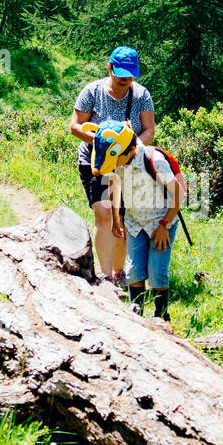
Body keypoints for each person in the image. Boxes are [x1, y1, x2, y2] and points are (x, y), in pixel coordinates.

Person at [69, 46, 154, 286]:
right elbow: (75, 126)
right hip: (95, 163)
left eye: (130, 76)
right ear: (109, 68)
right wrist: (103, 141)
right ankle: (105, 277)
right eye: (120, 75)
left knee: (123, 218)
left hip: (127, 165)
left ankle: (119, 273)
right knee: (105, 213)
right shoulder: (92, 92)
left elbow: (149, 130)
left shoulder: (141, 95)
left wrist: (131, 145)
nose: (125, 80)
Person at [103, 136, 183, 322]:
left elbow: (179, 193)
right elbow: (114, 186)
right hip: (135, 222)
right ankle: (136, 311)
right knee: (134, 270)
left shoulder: (154, 161)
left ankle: (161, 315)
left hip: (161, 221)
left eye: (117, 158)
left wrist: (165, 225)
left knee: (157, 271)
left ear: (130, 150)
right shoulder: (116, 159)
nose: (114, 163)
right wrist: (117, 218)